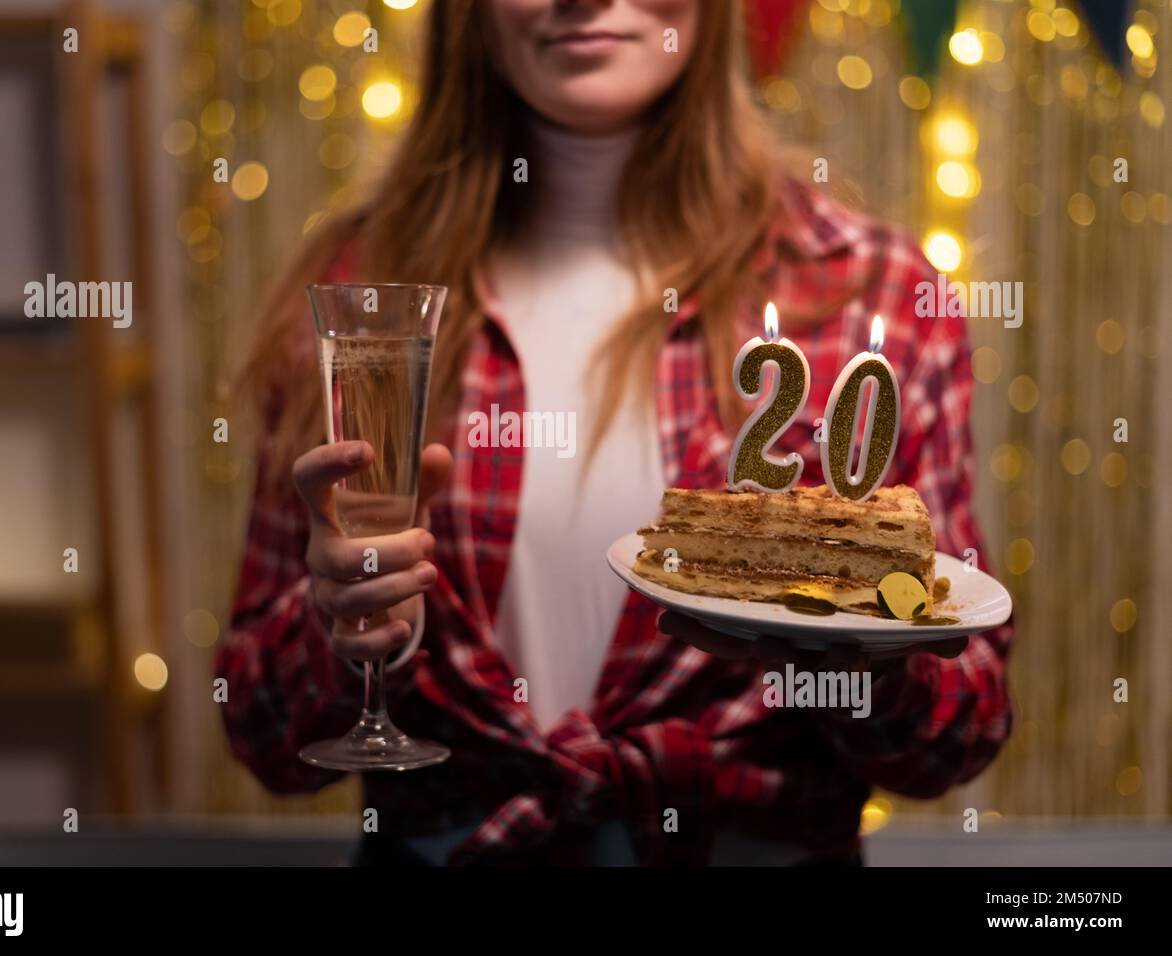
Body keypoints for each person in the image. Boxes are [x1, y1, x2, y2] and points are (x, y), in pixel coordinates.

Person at [216, 0, 1013, 866]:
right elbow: (259, 731)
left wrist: (856, 661)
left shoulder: (880, 293)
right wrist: (347, 637)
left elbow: (963, 729)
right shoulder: (360, 295)